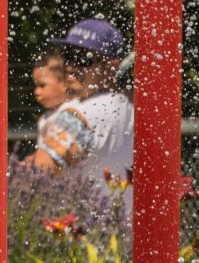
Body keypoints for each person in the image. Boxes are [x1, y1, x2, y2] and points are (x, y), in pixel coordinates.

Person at [26, 19, 135, 190]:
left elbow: (38, 173)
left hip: (81, 208)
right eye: (68, 56)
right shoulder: (129, 107)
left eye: (83, 59)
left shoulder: (81, 114)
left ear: (112, 66)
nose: (70, 67)